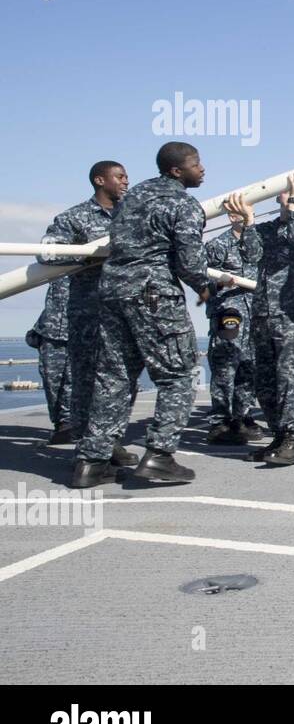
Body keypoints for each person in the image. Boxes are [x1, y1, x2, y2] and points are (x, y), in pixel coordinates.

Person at [70, 142, 233, 488]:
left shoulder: (132, 196)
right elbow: (190, 263)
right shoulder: (183, 204)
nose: (202, 169)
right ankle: (159, 456)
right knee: (177, 375)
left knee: (113, 377)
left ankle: (91, 461)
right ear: (177, 171)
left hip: (113, 292)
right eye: (196, 164)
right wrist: (207, 286)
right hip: (153, 295)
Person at [40, 160, 137, 466]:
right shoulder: (75, 218)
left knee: (123, 381)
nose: (125, 181)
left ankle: (112, 439)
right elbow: (47, 252)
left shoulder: (133, 216)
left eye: (126, 176)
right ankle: (88, 446)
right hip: (88, 315)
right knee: (86, 381)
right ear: (99, 180)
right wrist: (88, 256)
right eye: (119, 176)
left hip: (126, 311)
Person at [247, 172, 294, 466]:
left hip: (291, 314)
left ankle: (292, 437)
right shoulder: (264, 230)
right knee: (264, 379)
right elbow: (250, 254)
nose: (288, 197)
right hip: (264, 313)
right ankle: (278, 434)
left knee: (291, 377)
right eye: (285, 193)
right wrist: (248, 221)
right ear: (277, 196)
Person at [201, 195, 262, 444]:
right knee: (226, 368)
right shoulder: (217, 245)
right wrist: (219, 282)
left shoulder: (257, 243)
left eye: (248, 211)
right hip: (230, 314)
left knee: (250, 367)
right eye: (239, 212)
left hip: (255, 315)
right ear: (230, 215)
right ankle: (220, 421)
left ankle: (241, 415)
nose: (243, 216)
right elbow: (201, 282)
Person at [27, 276, 73, 444]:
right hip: (52, 329)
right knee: (52, 380)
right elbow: (47, 256)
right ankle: (62, 425)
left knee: (76, 380)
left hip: (84, 326)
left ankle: (74, 423)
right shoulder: (59, 255)